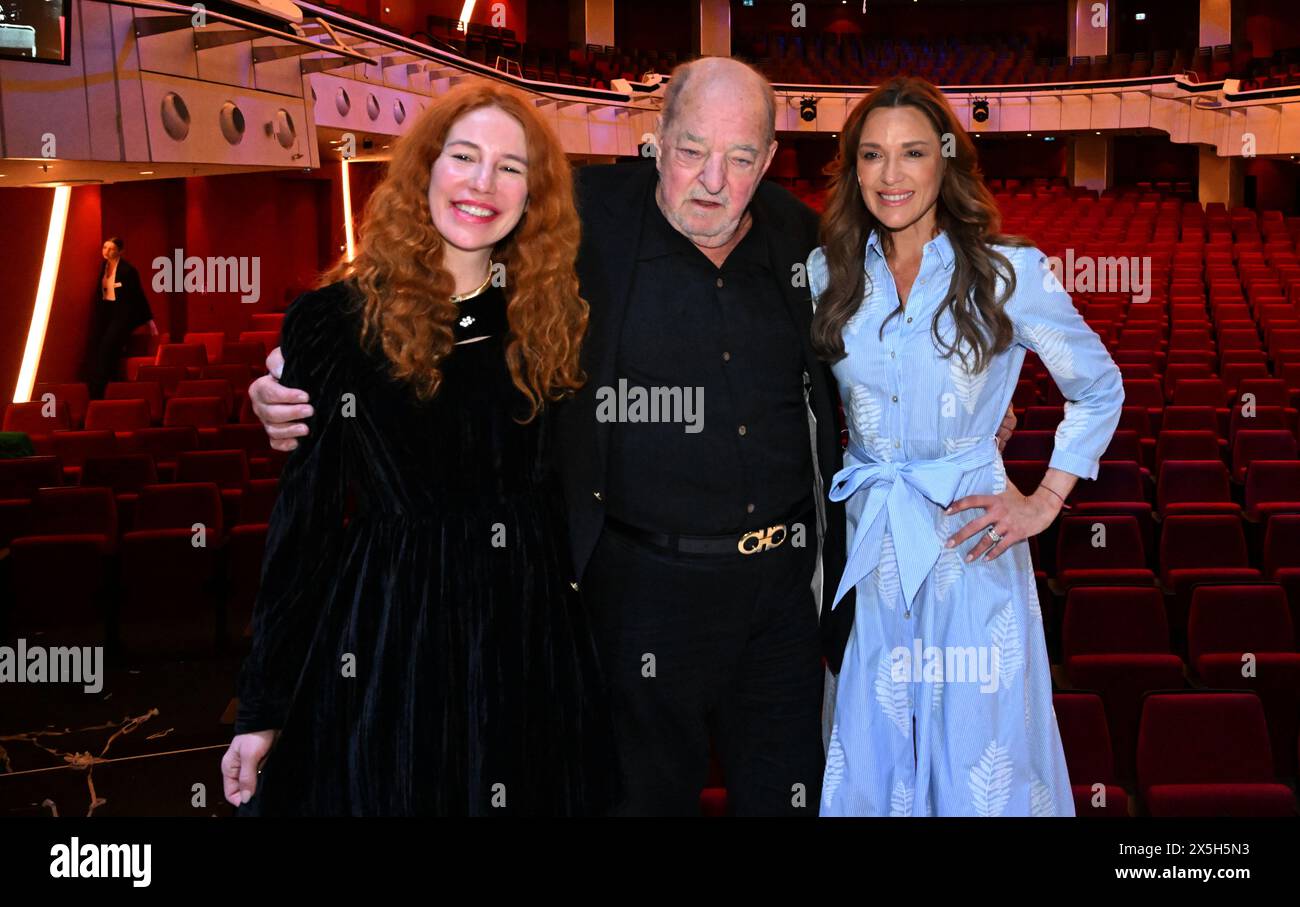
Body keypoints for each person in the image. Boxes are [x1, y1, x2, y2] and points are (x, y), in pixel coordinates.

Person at [249, 59, 1015, 816]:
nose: (712, 179)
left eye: (740, 157)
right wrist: (299, 373)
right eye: (690, 151)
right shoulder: (582, 221)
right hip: (636, 595)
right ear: (655, 139)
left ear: (771, 160)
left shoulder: (807, 243)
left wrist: (972, 413)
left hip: (780, 600)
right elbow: (441, 278)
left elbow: (895, 350)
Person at [220, 79, 616, 816]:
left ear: (534, 194)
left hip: (528, 633)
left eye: (510, 167)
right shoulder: (332, 321)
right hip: (394, 630)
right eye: (464, 156)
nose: (482, 183)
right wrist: (262, 705)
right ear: (425, 168)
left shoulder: (555, 309)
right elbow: (301, 532)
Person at [807, 77, 1124, 816]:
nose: (892, 176)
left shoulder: (1009, 270)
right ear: (853, 169)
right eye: (873, 156)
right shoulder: (829, 272)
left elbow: (1098, 386)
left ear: (946, 162)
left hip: (970, 541)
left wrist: (1044, 500)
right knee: (878, 738)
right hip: (872, 546)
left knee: (979, 752)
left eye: (913, 153)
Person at [87, 237, 157, 398]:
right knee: (100, 349)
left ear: (120, 252)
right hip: (106, 315)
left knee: (107, 348)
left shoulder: (128, 271)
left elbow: (138, 295)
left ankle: (101, 391)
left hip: (122, 315)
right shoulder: (103, 267)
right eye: (105, 247)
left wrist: (149, 320)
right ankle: (105, 387)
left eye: (111, 249)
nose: (106, 251)